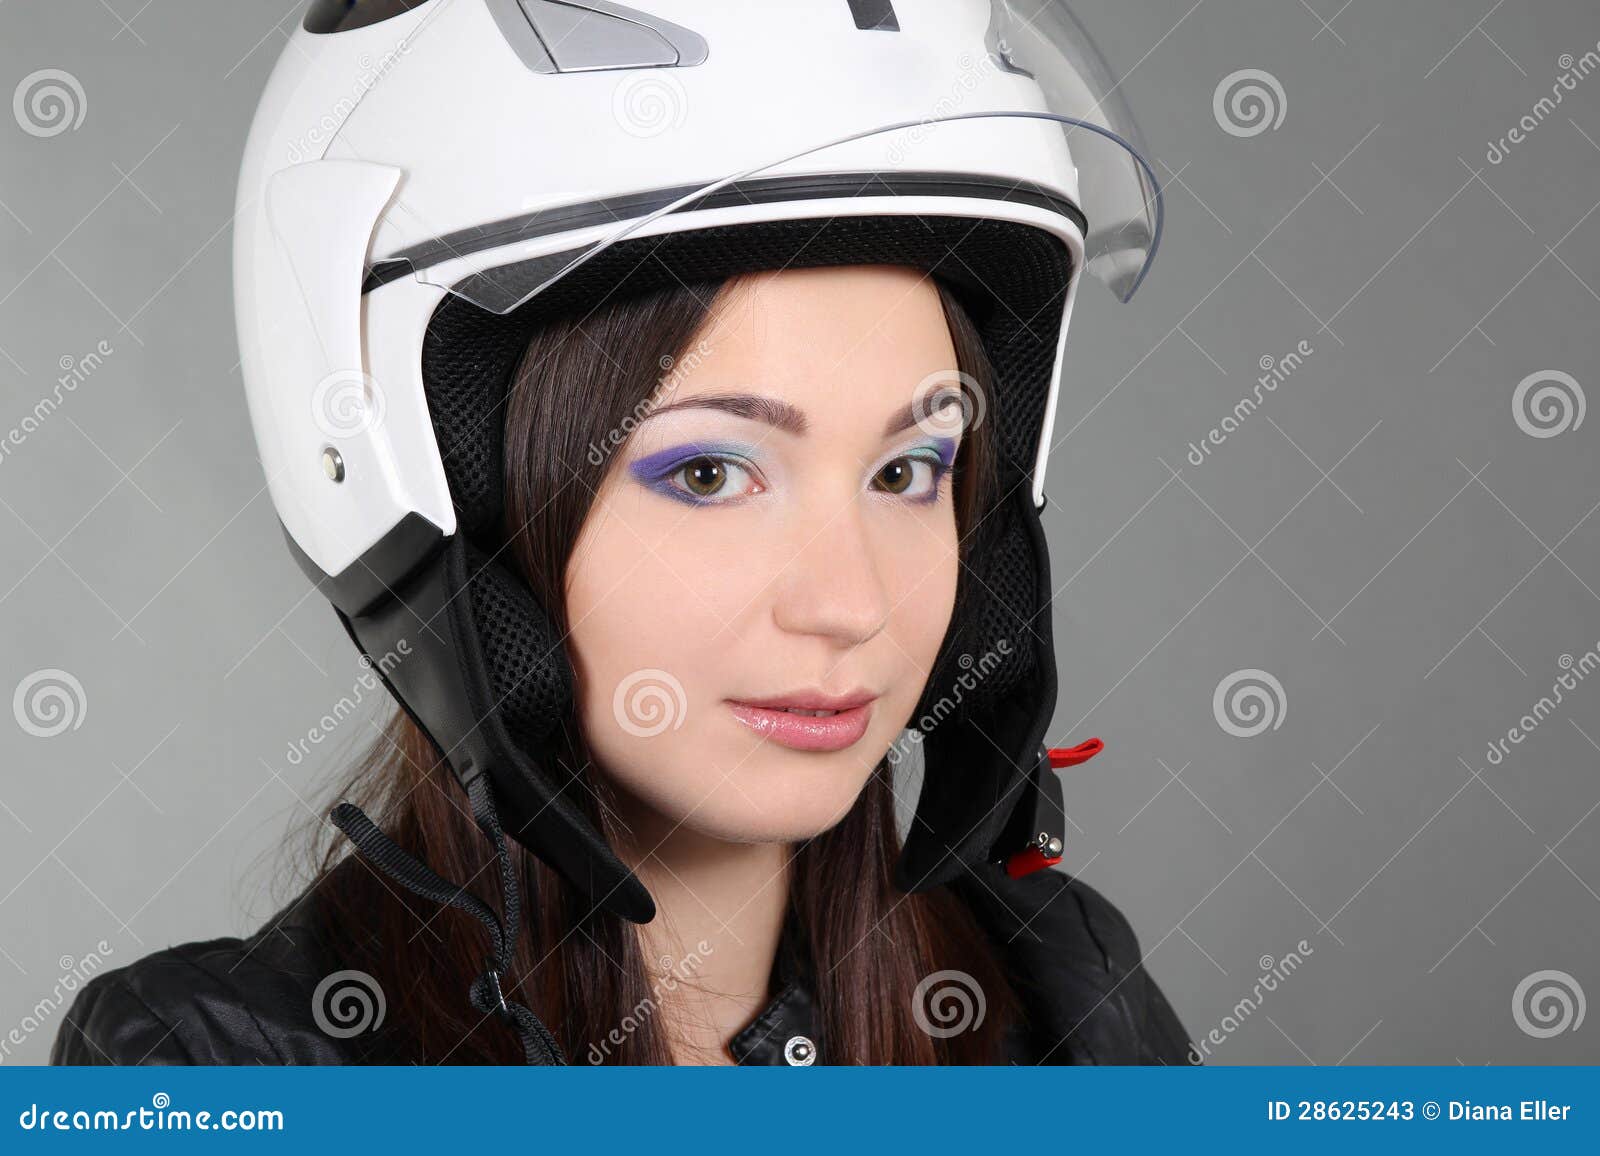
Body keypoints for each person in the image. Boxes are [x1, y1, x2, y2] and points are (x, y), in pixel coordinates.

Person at [52, 0, 1189, 1066]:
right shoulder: (211, 1061)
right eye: (708, 471)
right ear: (438, 491)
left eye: (906, 470)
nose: (850, 604)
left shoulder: (1060, 998)